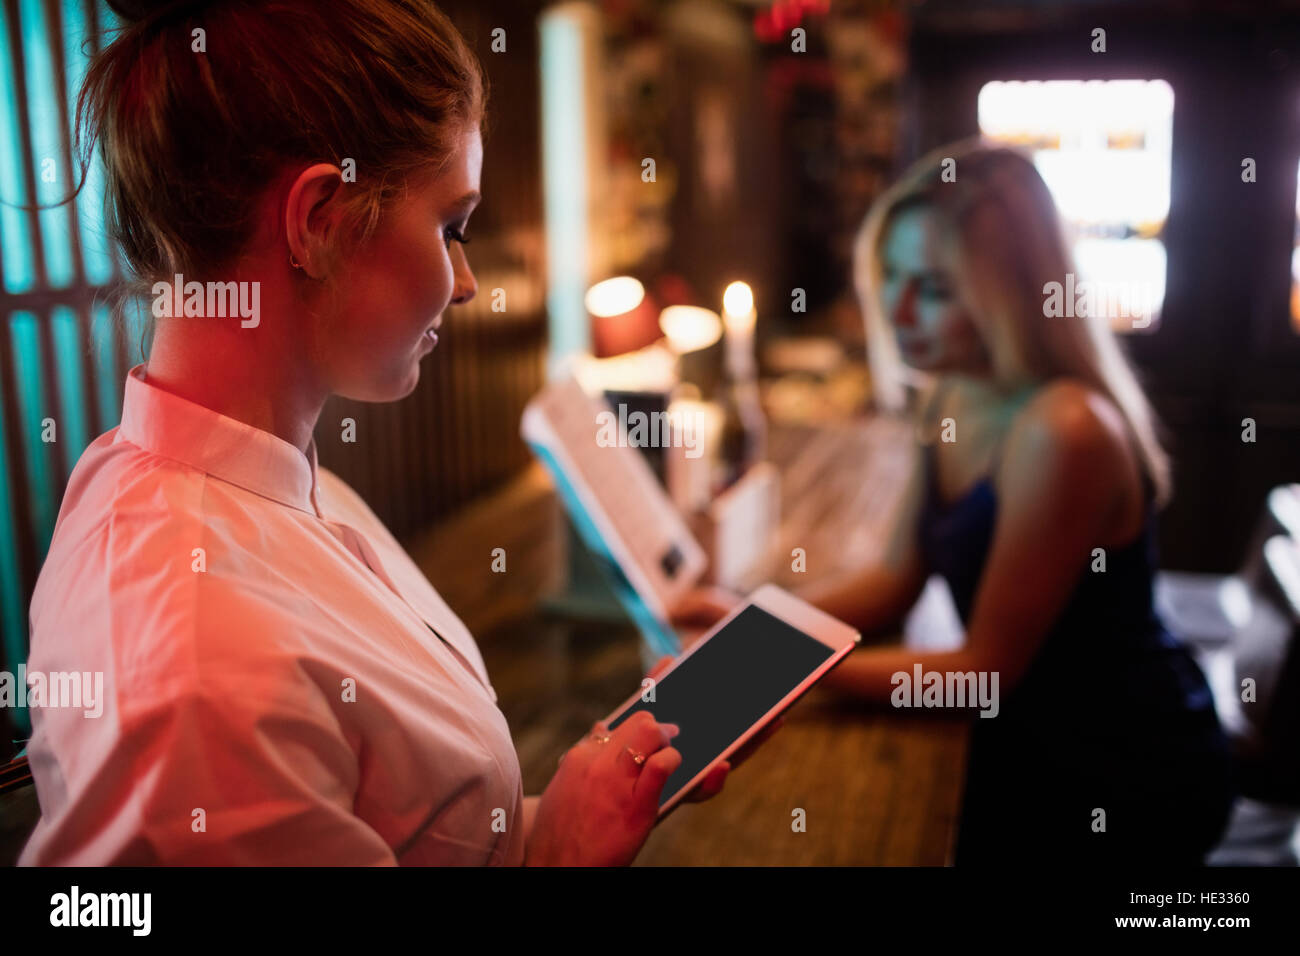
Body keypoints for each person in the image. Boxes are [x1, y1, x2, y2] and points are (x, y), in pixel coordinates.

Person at [19, 0, 737, 866]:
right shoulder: (199, 660)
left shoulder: (267, 477)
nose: (466, 281)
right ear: (319, 219)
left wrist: (576, 809)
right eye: (451, 227)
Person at [797, 142, 1235, 863]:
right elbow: (895, 577)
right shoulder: (951, 387)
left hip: (1119, 769)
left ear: (1014, 293)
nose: (899, 311)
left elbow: (985, 673)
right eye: (892, 277)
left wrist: (783, 676)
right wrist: (749, 624)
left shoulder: (1063, 430)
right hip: (1020, 733)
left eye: (935, 289)